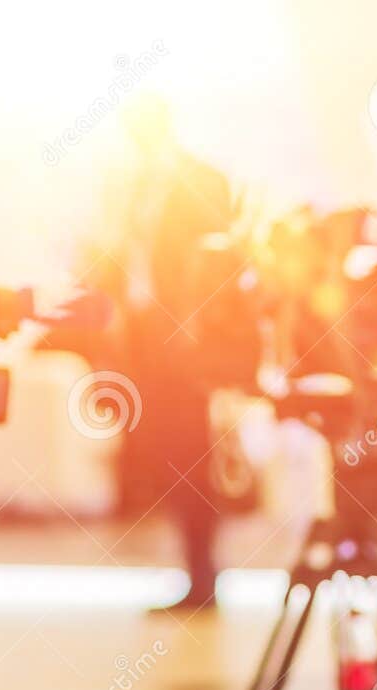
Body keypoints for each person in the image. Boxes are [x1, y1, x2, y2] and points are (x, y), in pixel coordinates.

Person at [83, 94, 251, 612]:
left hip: (185, 337)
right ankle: (194, 571)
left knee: (192, 451)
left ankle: (204, 576)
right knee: (166, 449)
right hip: (143, 335)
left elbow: (216, 265)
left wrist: (192, 324)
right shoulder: (132, 187)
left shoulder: (201, 180)